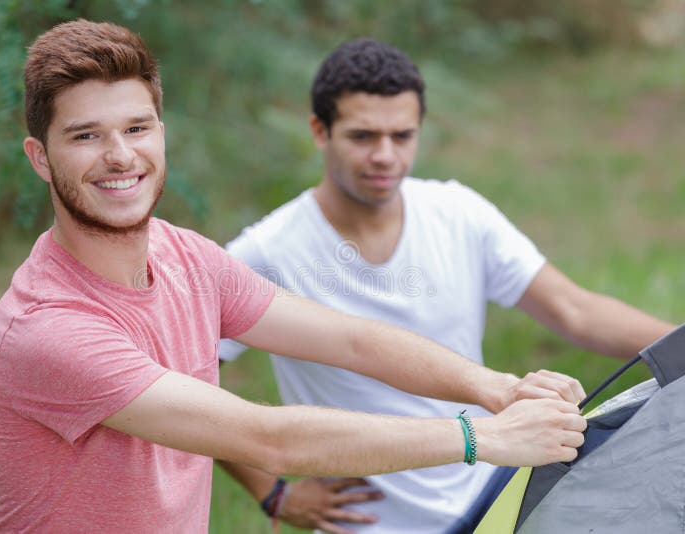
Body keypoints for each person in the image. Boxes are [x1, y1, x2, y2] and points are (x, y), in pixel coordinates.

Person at [0, 20, 588, 533]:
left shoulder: (187, 258)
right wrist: (484, 437)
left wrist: (497, 388)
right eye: (86, 136)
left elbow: (352, 340)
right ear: (40, 158)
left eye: (136, 129)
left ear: (161, 136)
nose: (119, 155)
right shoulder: (47, 329)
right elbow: (267, 439)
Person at [217, 38, 676, 533]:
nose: (385, 155)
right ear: (319, 131)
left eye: (402, 135)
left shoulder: (458, 214)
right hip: (371, 520)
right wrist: (274, 493)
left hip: (493, 485)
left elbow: (574, 310)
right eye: (363, 136)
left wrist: (682, 346)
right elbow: (191, 373)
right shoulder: (266, 251)